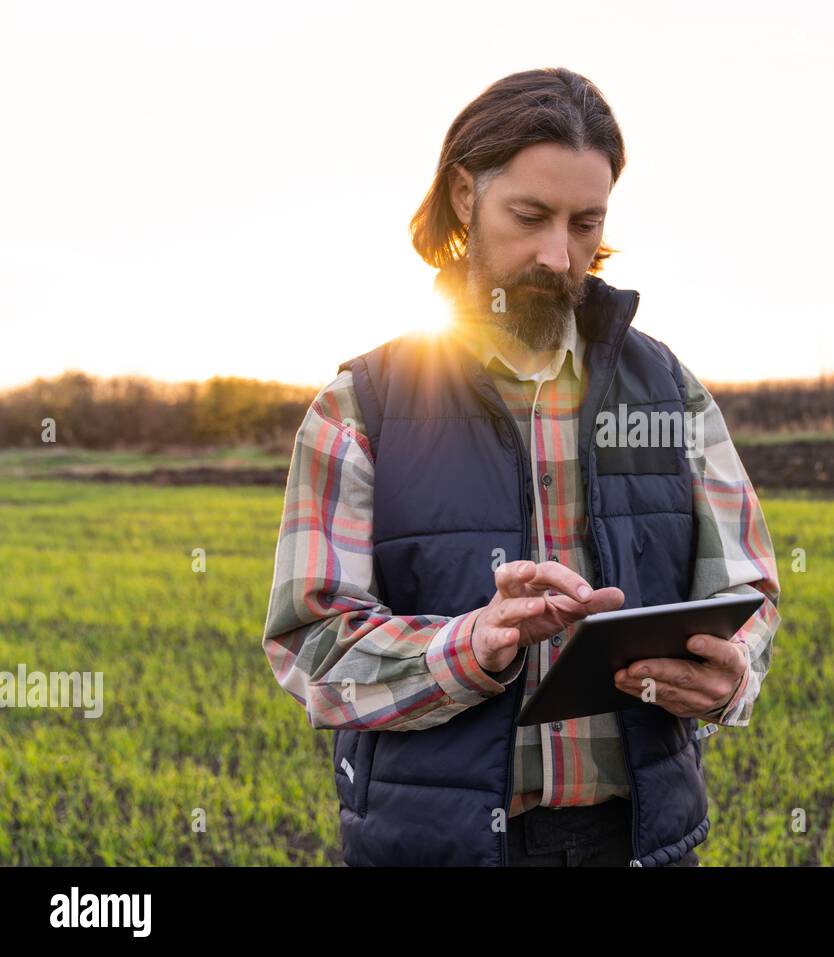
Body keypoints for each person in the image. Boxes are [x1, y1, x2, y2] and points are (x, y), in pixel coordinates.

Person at [260, 67, 780, 867]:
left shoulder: (668, 389)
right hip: (438, 850)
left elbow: (748, 598)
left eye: (585, 222)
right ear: (465, 197)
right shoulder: (359, 407)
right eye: (530, 215)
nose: (556, 252)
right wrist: (470, 643)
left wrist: (732, 676)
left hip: (639, 845)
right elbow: (311, 646)